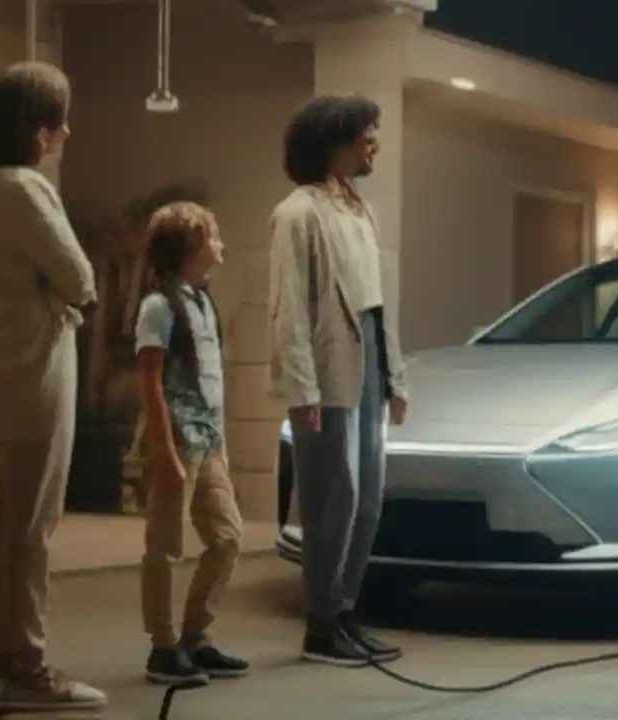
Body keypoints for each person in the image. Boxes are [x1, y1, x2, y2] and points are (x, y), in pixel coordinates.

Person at [0, 61, 105, 709]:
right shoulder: (24, 188)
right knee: (32, 528)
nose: (66, 131)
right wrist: (68, 300)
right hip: (37, 371)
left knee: (10, 526)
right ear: (35, 129)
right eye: (58, 120)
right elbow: (80, 281)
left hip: (4, 372)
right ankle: (27, 666)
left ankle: (5, 660)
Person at [268, 94, 410, 666]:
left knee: (367, 498)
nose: (373, 142)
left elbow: (377, 307)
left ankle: (344, 611)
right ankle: (321, 624)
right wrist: (302, 389)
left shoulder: (359, 210)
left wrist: (395, 375)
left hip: (367, 360)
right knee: (334, 496)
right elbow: (289, 309)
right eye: (364, 133)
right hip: (327, 370)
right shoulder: (297, 213)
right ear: (333, 141)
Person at [128, 201, 249, 685]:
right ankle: (162, 645)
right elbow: (151, 381)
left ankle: (196, 636)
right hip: (177, 437)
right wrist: (163, 449)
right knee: (165, 544)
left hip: (209, 439)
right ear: (193, 247)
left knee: (227, 536)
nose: (221, 244)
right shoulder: (160, 306)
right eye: (214, 236)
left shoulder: (203, 300)